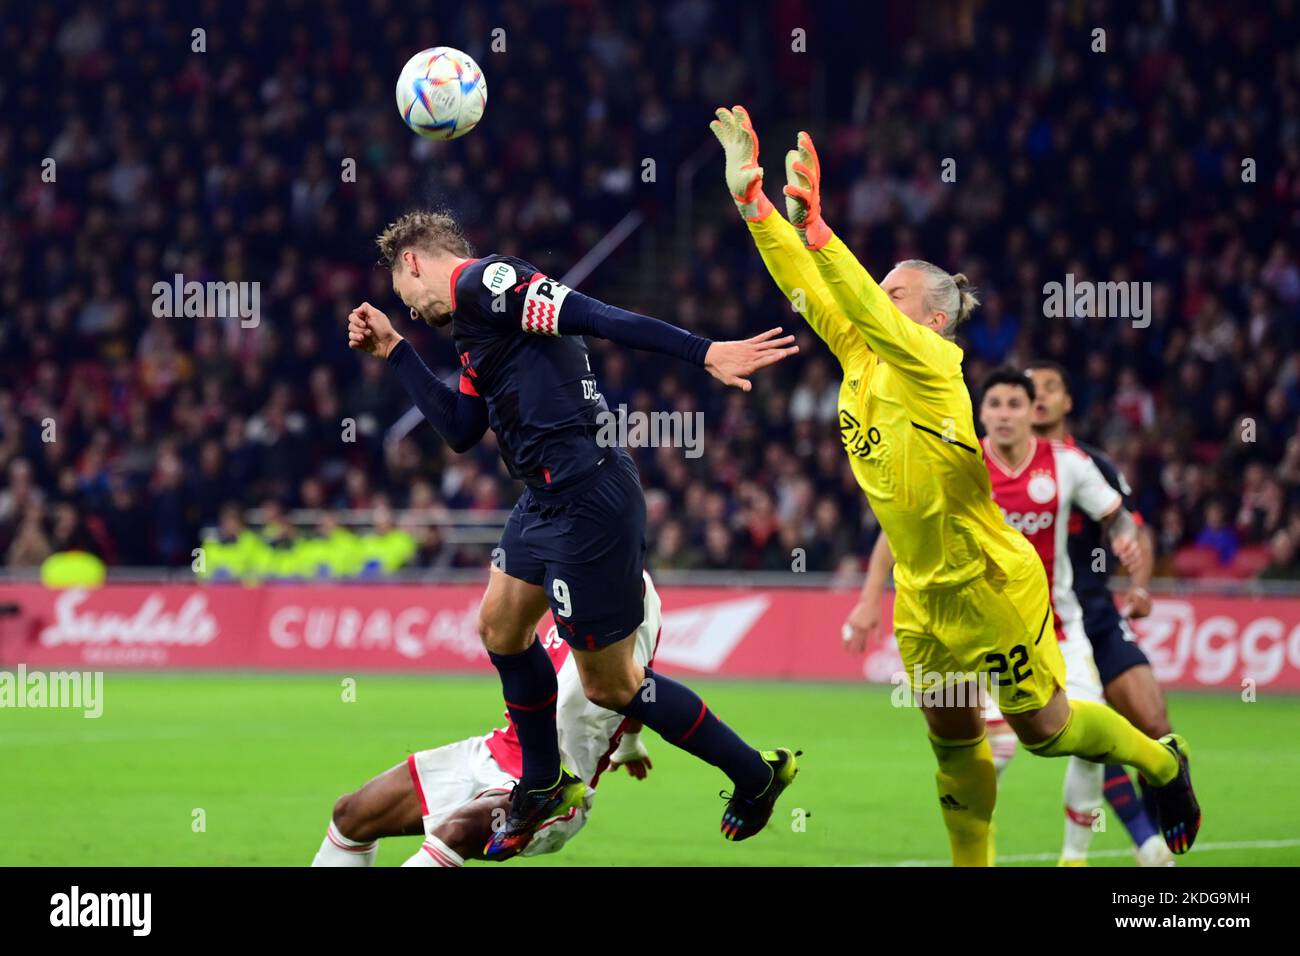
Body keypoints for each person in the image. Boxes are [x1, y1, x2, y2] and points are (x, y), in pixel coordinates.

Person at [712, 105, 1199, 864]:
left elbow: (853, 294)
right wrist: (755, 205)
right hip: (924, 596)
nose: (877, 295)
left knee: (1045, 733)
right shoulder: (858, 355)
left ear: (934, 319)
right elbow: (808, 285)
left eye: (895, 292)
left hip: (990, 585)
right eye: (880, 288)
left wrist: (821, 230)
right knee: (952, 743)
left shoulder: (938, 368)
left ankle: (1165, 762)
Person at [347, 210, 799, 859]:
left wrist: (703, 352)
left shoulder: (486, 283)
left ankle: (755, 774)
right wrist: (395, 350)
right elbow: (461, 429)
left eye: (403, 296)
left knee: (613, 686)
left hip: (589, 496)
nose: (411, 311)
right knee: (500, 626)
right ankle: (543, 782)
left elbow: (593, 313)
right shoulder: (477, 331)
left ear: (414, 262)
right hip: (544, 498)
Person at [312, 573, 662, 867]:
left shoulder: (634, 594)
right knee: (352, 815)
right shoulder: (563, 566)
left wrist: (628, 739)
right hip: (498, 749)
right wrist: (629, 743)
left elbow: (634, 682)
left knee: (457, 832)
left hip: (555, 787)